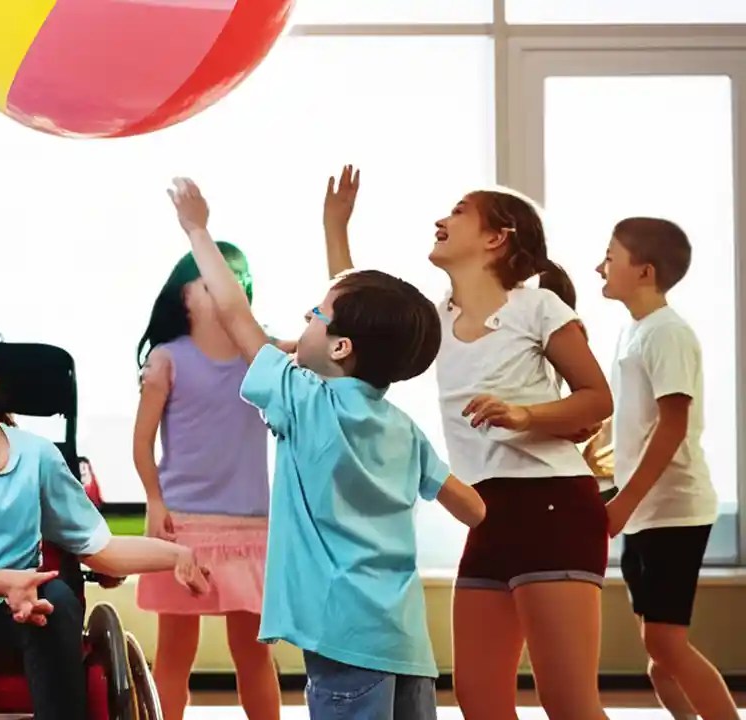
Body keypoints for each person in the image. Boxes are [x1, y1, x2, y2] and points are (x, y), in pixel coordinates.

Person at [166, 177, 486, 720]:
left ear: (340, 347)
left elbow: (235, 315)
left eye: (314, 314)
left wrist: (197, 229)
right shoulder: (403, 428)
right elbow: (474, 509)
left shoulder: (304, 401)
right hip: (406, 641)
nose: (304, 319)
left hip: (341, 636)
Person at [324, 165, 614, 720]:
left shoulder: (537, 307)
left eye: (458, 211)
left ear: (496, 237)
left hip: (554, 506)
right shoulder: (435, 322)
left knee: (569, 704)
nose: (442, 219)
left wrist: (524, 415)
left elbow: (597, 399)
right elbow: (360, 315)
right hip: (487, 514)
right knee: (478, 702)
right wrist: (336, 227)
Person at [0, 323, 212, 719]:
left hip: (16, 609)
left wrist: (177, 556)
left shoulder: (38, 454)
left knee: (55, 599)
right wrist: (10, 582)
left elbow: (101, 549)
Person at [595, 218, 736, 720]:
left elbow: (672, 425)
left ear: (645, 271)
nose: (599, 267)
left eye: (610, 257)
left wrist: (623, 502)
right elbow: (635, 418)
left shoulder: (667, 333)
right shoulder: (634, 332)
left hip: (673, 512)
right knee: (660, 659)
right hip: (646, 515)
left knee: (666, 645)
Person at [133, 244, 281, 720]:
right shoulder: (167, 360)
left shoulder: (263, 357)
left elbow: (322, 350)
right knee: (175, 653)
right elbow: (142, 443)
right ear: (184, 296)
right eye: (210, 280)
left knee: (254, 652)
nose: (226, 288)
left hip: (251, 526)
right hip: (183, 527)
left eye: (236, 279)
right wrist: (154, 501)